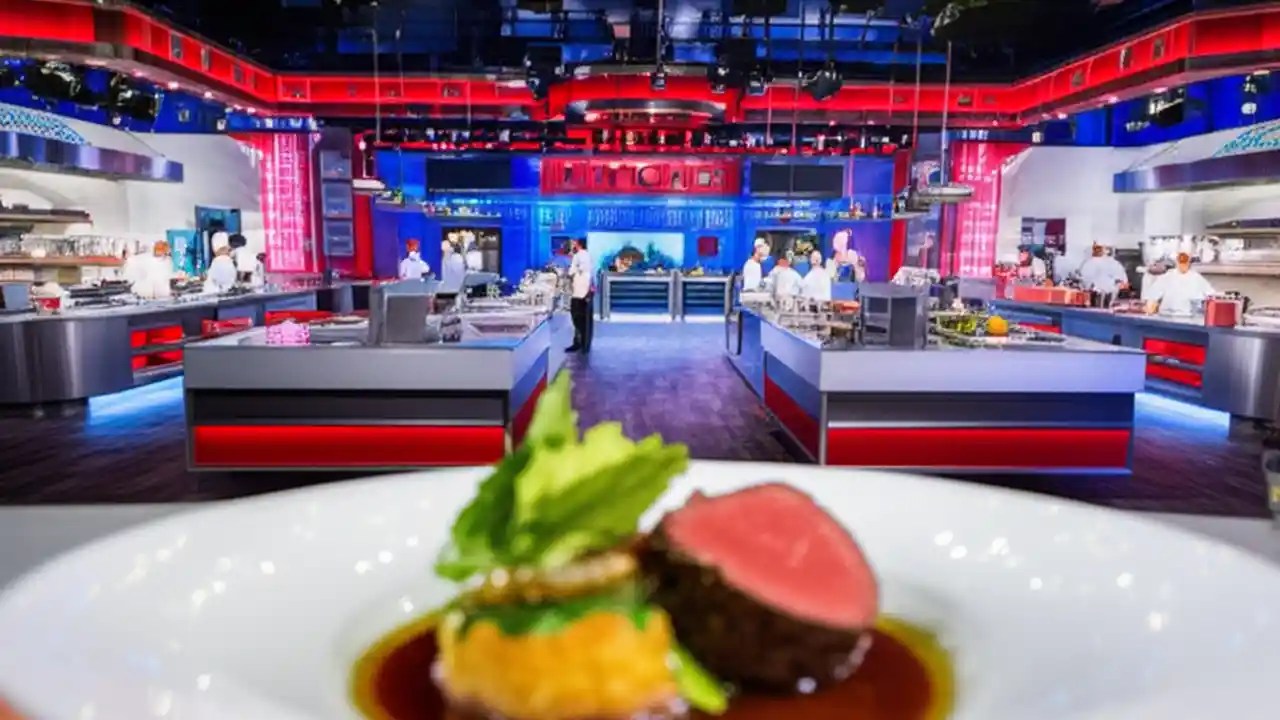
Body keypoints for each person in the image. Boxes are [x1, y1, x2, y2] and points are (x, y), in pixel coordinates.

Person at [1146, 252, 1214, 315]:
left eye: (1185, 262)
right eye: (1181, 262)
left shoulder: (1197, 278)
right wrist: (1150, 309)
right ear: (1177, 262)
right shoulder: (1167, 277)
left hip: (1189, 317)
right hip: (1167, 315)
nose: (1183, 265)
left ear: (1189, 263)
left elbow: (1211, 295)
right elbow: (1153, 297)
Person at [567, 237, 594, 353]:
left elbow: (571, 272)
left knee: (579, 319)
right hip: (584, 292)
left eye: (574, 243)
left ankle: (581, 344)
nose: (573, 245)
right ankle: (581, 343)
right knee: (583, 320)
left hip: (580, 293)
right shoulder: (586, 255)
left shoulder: (579, 256)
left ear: (578, 244)